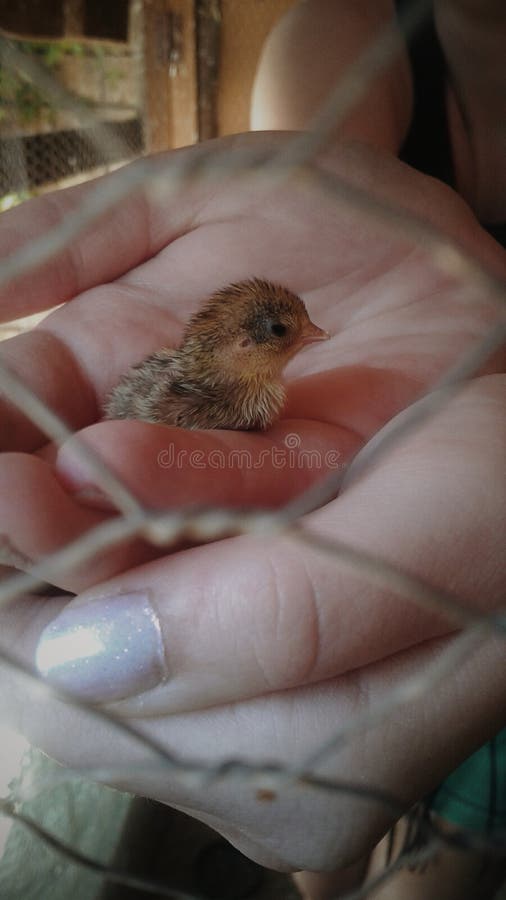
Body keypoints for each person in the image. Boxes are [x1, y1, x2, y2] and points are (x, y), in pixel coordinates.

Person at [0, 2, 504, 899]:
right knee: (328, 830)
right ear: (240, 348)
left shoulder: (249, 388)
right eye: (285, 329)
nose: (310, 335)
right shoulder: (337, 38)